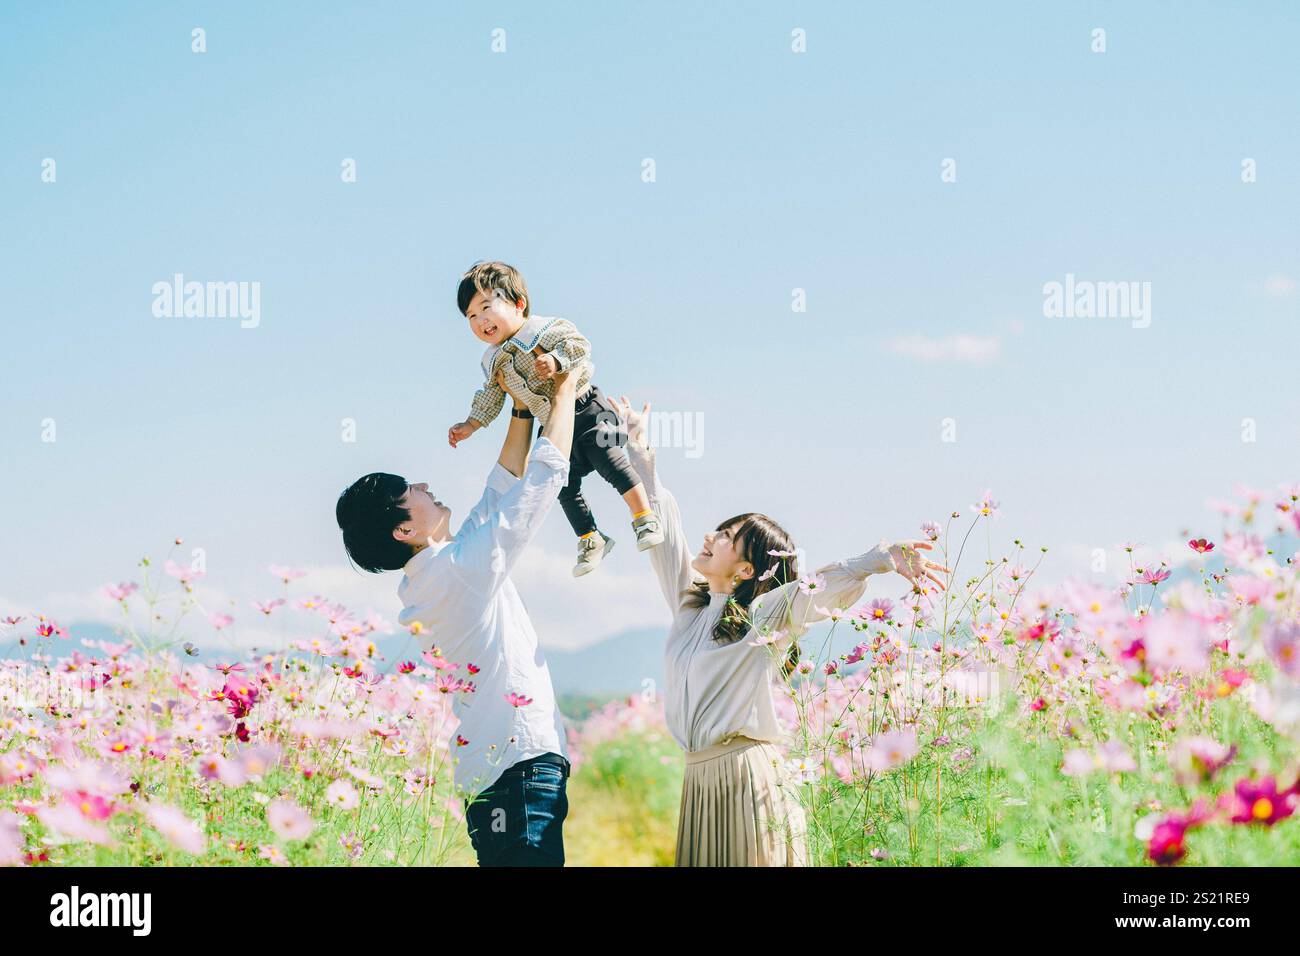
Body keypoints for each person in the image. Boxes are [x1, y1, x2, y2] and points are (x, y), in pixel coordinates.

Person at [613, 396, 949, 866]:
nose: (709, 537)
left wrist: (880, 558)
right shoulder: (690, 605)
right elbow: (666, 535)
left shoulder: (764, 616)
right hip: (700, 779)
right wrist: (640, 453)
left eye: (725, 537)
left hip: (747, 776)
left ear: (748, 569)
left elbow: (814, 591)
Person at [334, 369, 581, 866]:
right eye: (411, 490)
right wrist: (565, 390)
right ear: (404, 527)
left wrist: (520, 404)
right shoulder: (458, 573)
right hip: (519, 770)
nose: (425, 485)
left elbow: (499, 491)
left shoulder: (435, 575)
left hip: (495, 776)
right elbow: (538, 485)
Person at [446, 260, 664, 576]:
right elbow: (491, 397)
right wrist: (471, 424)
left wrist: (555, 358)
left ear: (518, 304)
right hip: (552, 424)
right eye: (471, 316)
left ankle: (644, 516)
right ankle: (591, 537)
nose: (480, 321)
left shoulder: (544, 330)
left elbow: (579, 346)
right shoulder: (495, 360)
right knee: (559, 483)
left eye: (485, 307)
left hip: (587, 409)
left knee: (610, 461)